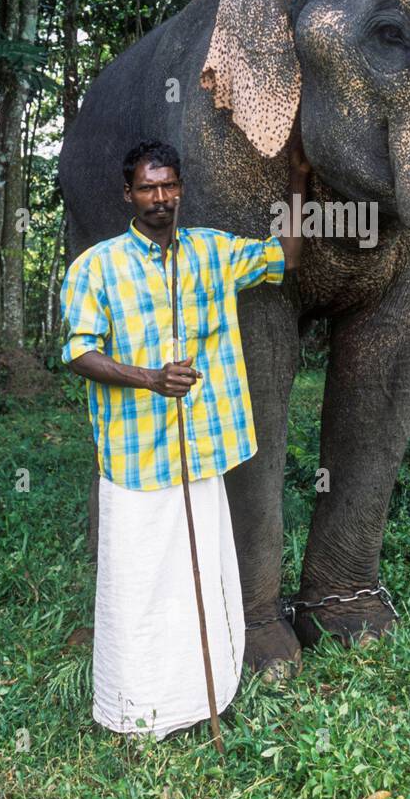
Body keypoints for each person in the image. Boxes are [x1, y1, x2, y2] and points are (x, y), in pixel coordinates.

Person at [60, 136, 310, 740]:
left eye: (170, 185)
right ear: (128, 194)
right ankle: (137, 708)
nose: (161, 197)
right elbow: (78, 352)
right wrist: (149, 378)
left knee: (201, 571)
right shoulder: (98, 266)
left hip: (203, 445)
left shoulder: (211, 252)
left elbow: (287, 257)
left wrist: (299, 181)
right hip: (137, 453)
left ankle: (205, 695)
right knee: (143, 579)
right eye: (148, 187)